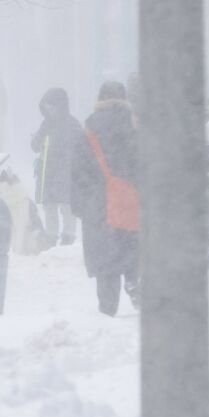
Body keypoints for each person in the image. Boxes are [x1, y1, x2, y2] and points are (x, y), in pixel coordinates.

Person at [72, 81, 140, 316]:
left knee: (105, 258)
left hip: (98, 204)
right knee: (132, 248)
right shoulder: (133, 125)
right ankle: (135, 281)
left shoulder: (89, 128)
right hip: (131, 200)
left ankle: (107, 308)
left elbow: (78, 170)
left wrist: (79, 203)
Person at [31, 87, 86, 246]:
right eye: (47, 108)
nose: (50, 111)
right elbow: (36, 145)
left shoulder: (73, 125)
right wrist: (35, 141)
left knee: (67, 207)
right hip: (48, 173)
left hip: (67, 173)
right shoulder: (45, 125)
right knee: (49, 206)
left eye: (52, 107)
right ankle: (51, 235)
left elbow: (80, 149)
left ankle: (69, 235)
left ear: (61, 106)